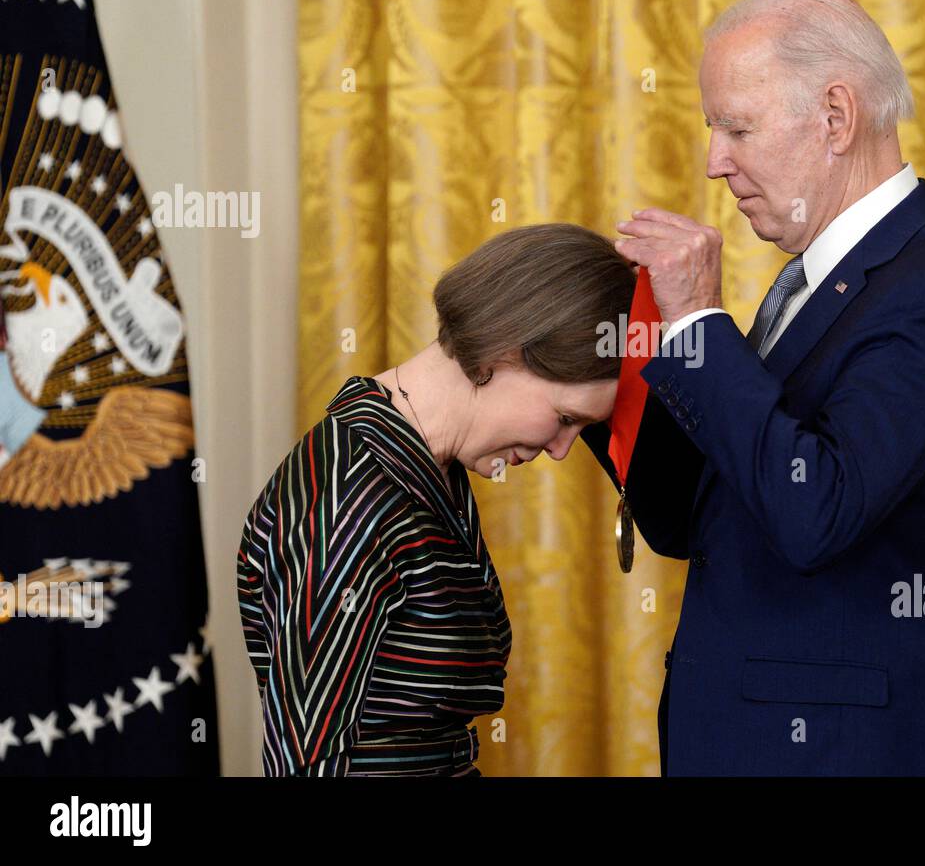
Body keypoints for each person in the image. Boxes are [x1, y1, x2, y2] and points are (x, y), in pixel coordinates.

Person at [583, 0, 925, 775]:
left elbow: (814, 511)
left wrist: (698, 329)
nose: (715, 163)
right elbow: (694, 520)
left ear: (836, 117)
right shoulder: (819, 281)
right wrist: (589, 375)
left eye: (737, 128)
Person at [237, 223, 633, 775]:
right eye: (565, 418)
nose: (563, 449)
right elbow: (305, 760)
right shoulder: (351, 493)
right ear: (501, 351)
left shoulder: (425, 468)